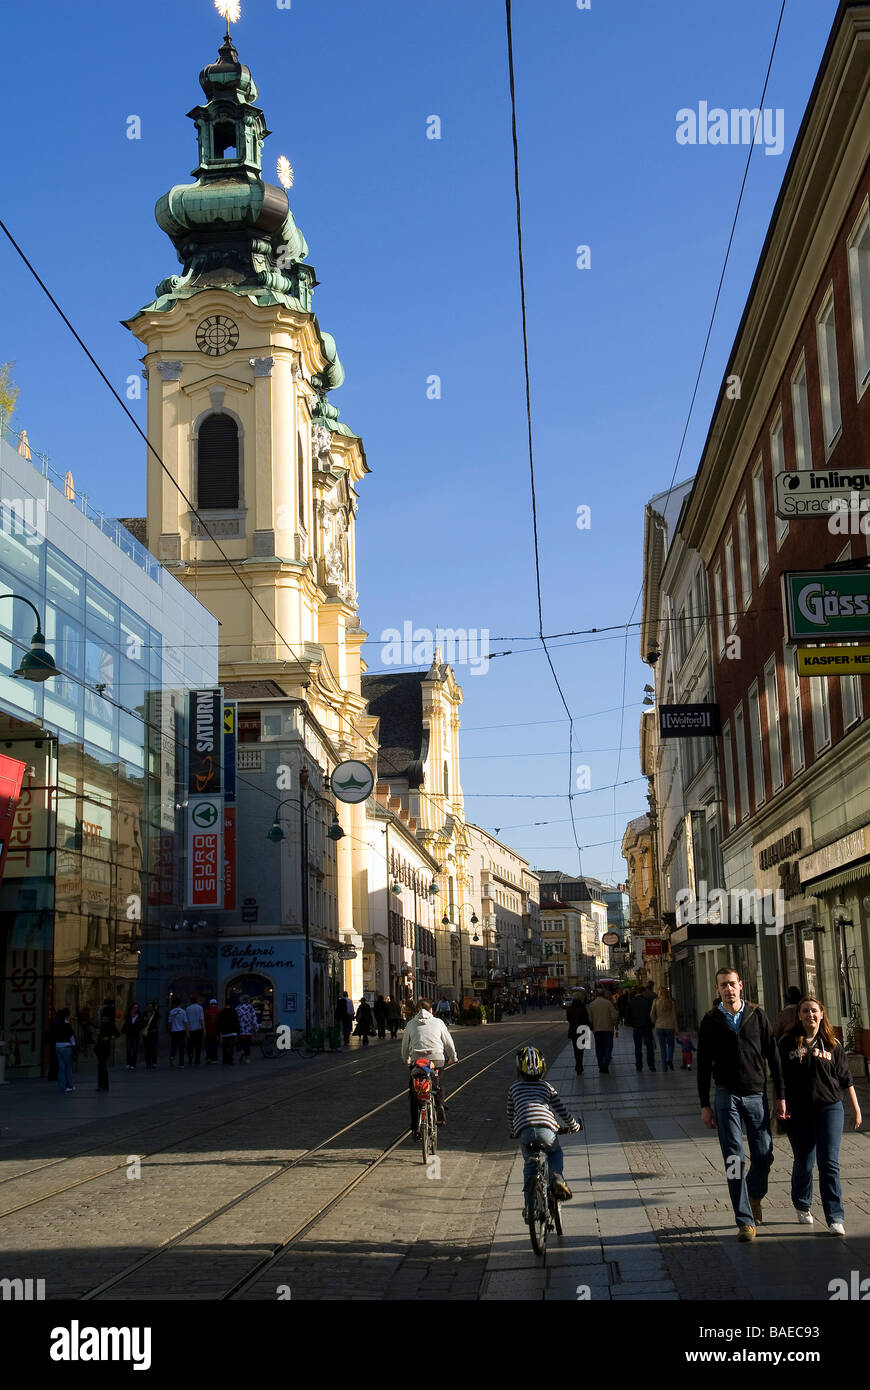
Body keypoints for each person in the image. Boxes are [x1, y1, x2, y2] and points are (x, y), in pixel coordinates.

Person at [698, 966, 786, 1241]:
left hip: (756, 1094)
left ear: (741, 985)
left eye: (732, 984)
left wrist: (780, 1094)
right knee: (734, 1157)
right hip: (726, 1096)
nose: (728, 989)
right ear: (717, 990)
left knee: (763, 1154)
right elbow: (702, 1065)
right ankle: (744, 1220)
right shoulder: (711, 1020)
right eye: (723, 985)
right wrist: (704, 1104)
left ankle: (754, 1193)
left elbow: (774, 1056)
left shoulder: (757, 1015)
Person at [779, 994, 862, 1236]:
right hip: (799, 1111)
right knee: (804, 1162)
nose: (810, 1015)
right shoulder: (787, 1043)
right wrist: (779, 1102)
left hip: (830, 1108)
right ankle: (802, 1203)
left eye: (814, 1011)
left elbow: (846, 1080)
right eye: (805, 1011)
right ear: (799, 1015)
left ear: (822, 1014)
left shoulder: (833, 1044)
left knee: (829, 1163)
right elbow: (779, 1076)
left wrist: (855, 1109)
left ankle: (835, 1217)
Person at [507, 1046, 582, 1217]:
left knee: (529, 1164)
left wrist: (513, 1130)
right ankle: (557, 1178)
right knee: (555, 1152)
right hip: (547, 1130)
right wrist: (573, 1125)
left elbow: (510, 1113)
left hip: (524, 1131)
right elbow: (562, 1110)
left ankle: (529, 1207)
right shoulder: (547, 1087)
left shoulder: (514, 1088)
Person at [401, 998, 458, 1130]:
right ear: (431, 1010)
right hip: (437, 1060)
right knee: (438, 1083)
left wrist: (406, 1059)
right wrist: (453, 1057)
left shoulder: (410, 1024)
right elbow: (448, 1042)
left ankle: (415, 1124)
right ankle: (440, 1106)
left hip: (418, 1061)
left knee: (414, 1091)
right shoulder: (438, 1022)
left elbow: (404, 1046)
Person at [587, 987, 619, 1073]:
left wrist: (593, 1026)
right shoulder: (608, 1003)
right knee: (608, 1047)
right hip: (608, 1029)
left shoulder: (592, 1004)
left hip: (597, 1029)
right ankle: (605, 1064)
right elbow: (614, 1016)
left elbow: (589, 1019)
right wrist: (614, 1024)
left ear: (596, 995)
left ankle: (601, 1065)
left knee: (599, 1048)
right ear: (603, 994)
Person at [48, 1007, 76, 1093]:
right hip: (66, 1046)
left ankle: (63, 1086)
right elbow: (71, 1035)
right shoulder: (66, 1024)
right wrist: (73, 1044)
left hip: (57, 1046)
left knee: (61, 1066)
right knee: (68, 1067)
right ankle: (70, 1085)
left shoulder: (55, 1023)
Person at [650, 985, 678, 1072]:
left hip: (659, 1026)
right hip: (670, 1026)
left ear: (659, 993)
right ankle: (669, 1058)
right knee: (671, 1045)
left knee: (662, 1048)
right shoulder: (671, 1002)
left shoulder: (655, 1001)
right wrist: (676, 1028)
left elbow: (651, 1014)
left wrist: (655, 1022)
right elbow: (674, 1016)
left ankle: (664, 1068)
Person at [628, 986, 656, 1072]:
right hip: (647, 1027)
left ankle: (639, 1066)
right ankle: (651, 1065)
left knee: (638, 1047)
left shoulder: (632, 1002)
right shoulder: (647, 1001)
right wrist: (651, 1025)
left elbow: (628, 1015)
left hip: (637, 1027)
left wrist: (633, 1024)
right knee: (649, 1047)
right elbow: (651, 1014)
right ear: (643, 992)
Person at [95, 1001, 119, 1092]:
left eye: (105, 1019)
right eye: (102, 1019)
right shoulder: (102, 1025)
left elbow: (116, 1034)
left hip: (105, 1048)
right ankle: (102, 1085)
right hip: (100, 1047)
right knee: (101, 1067)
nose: (103, 1021)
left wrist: (108, 1038)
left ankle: (103, 1085)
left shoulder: (110, 1025)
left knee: (102, 1067)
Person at [566, 990, 590, 1076]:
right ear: (580, 998)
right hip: (582, 1030)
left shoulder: (570, 1008)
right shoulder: (583, 1008)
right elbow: (586, 1019)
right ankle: (579, 1065)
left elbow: (568, 1019)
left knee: (576, 1050)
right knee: (581, 1050)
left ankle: (578, 1065)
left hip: (573, 1031)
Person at [236, 995, 258, 1063]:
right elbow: (254, 1018)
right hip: (248, 1029)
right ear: (247, 1000)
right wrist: (255, 1028)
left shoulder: (238, 1008)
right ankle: (247, 1058)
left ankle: (242, 1051)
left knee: (241, 1042)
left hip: (240, 1029)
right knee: (247, 1044)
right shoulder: (250, 1007)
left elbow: (235, 1018)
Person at [122, 1002, 144, 1070]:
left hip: (136, 1035)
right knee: (128, 1049)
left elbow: (141, 1025)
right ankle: (128, 1063)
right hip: (129, 1034)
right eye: (134, 1007)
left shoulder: (139, 1016)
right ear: (131, 1008)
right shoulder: (128, 1016)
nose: (135, 1009)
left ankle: (133, 1064)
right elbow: (126, 1024)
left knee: (134, 1050)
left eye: (137, 1007)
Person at [168, 998, 189, 1068]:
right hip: (181, 1031)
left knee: (173, 1047)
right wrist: (187, 1032)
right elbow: (185, 1023)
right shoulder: (183, 1012)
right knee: (181, 1048)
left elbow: (169, 1023)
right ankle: (181, 1063)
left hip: (174, 1031)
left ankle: (172, 1057)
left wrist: (170, 1030)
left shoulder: (171, 1012)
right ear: (180, 1003)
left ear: (174, 1004)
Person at [142, 1003, 160, 1069]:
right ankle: (148, 1062)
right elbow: (142, 1021)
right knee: (147, 1048)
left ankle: (154, 1062)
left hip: (153, 1032)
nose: (149, 1008)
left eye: (150, 1007)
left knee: (153, 1047)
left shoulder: (155, 1013)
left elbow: (159, 1016)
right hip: (146, 1032)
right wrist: (145, 1019)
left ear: (153, 1007)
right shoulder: (145, 1013)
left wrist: (155, 1010)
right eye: (148, 1006)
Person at [204, 998, 220, 1062]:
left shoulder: (206, 1011)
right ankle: (214, 1058)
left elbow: (204, 1021)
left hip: (208, 1030)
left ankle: (209, 1057)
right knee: (215, 1045)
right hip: (216, 1031)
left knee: (208, 1045)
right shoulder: (219, 1011)